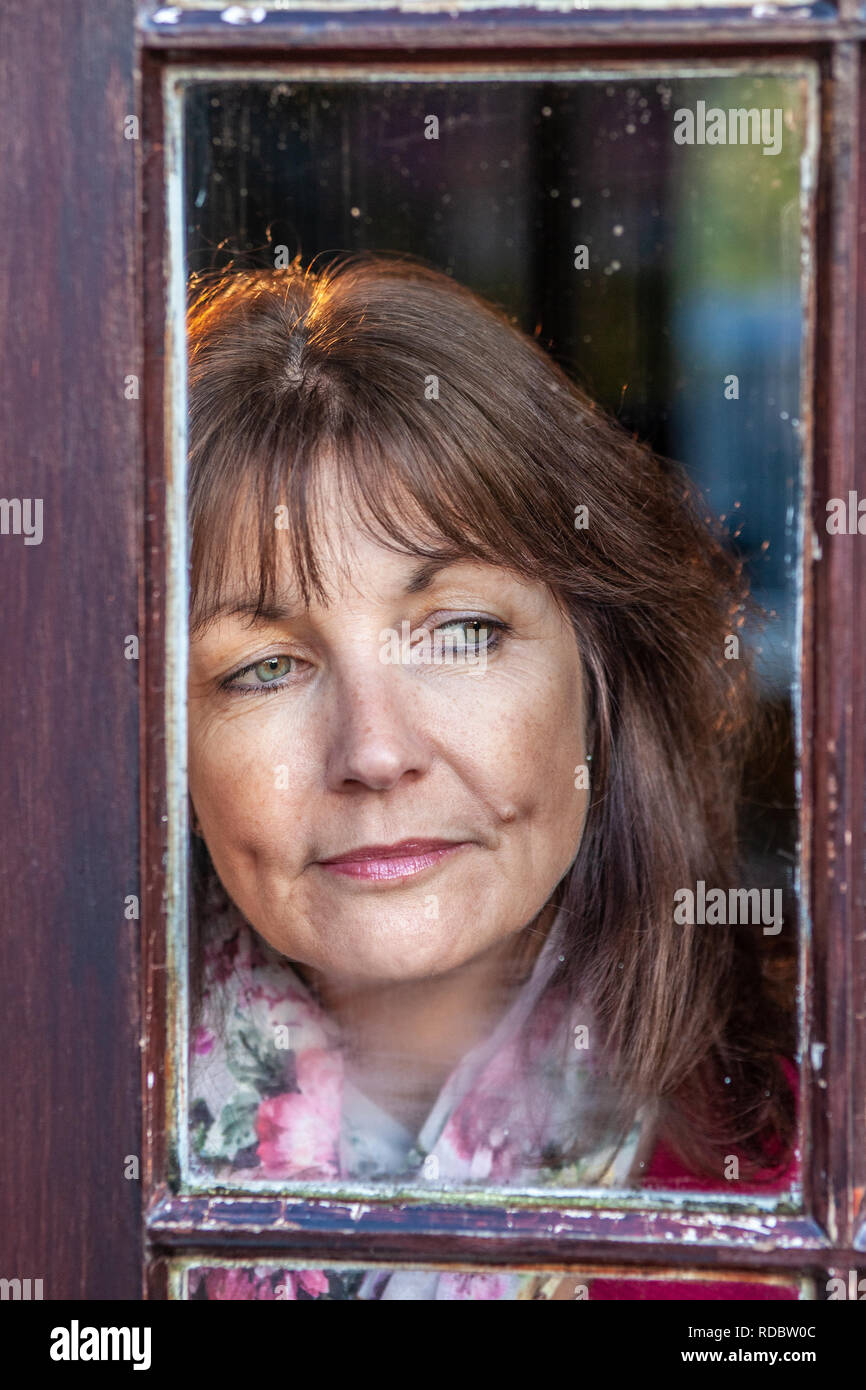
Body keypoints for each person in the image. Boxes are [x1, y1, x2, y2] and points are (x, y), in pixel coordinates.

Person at [184, 252, 797, 1299]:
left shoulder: (804, 1182)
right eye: (266, 666)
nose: (375, 752)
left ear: (600, 679)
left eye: (460, 632)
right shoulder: (54, 1159)